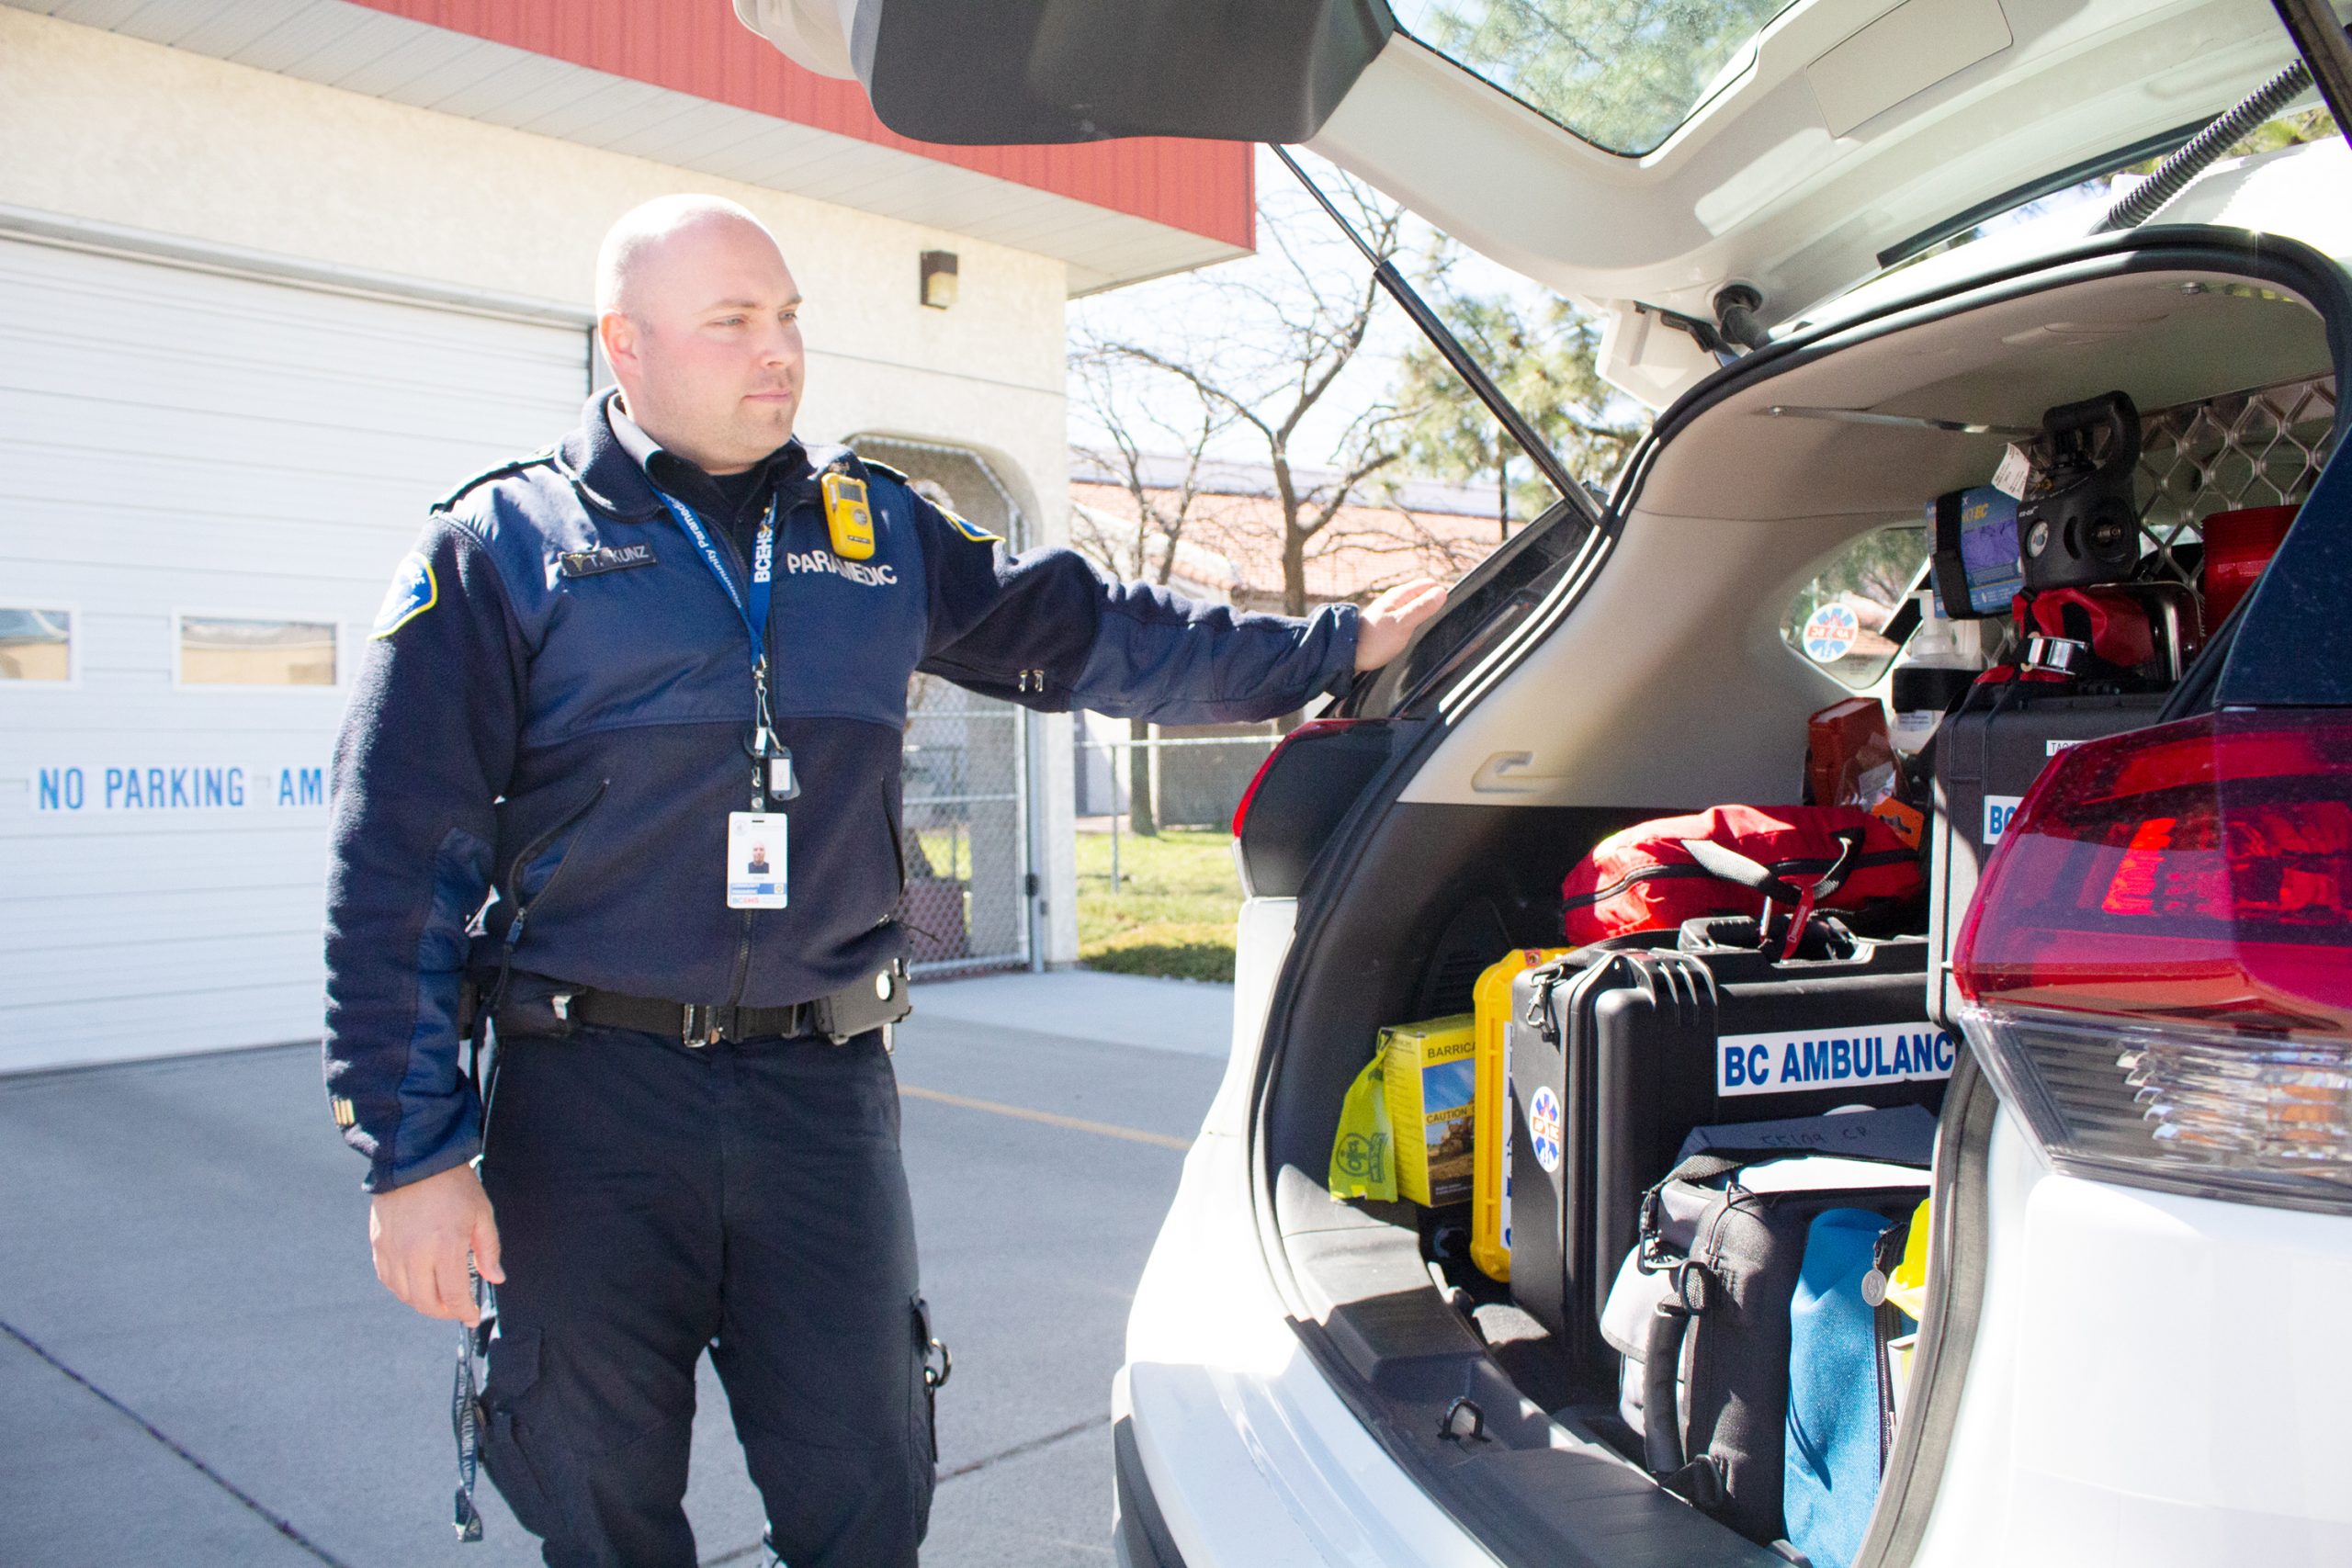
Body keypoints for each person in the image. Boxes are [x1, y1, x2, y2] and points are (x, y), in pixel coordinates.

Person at [323, 193, 1446, 1568]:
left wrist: (1330, 649)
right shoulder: (504, 550)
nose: (777, 350)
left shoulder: (875, 531)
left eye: (788, 316)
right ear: (627, 342)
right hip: (590, 1108)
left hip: (819, 1098)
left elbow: (1095, 637)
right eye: (734, 321)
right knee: (597, 1502)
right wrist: (413, 1155)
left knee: (865, 1494)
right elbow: (396, 871)